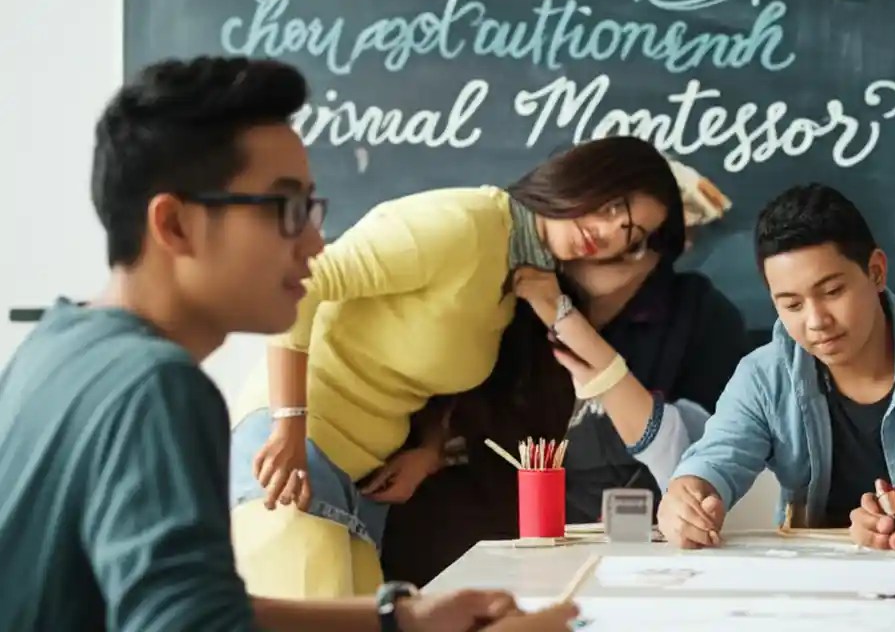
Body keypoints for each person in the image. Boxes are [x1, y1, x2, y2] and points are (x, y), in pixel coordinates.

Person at [0, 56, 576, 631]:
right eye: (284, 209)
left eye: (311, 208)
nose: (313, 242)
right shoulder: (158, 385)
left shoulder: (57, 344)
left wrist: (400, 620)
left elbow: (197, 611)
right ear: (174, 225)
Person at [229, 135, 685, 598]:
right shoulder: (463, 223)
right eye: (612, 206)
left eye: (629, 235)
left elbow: (444, 383)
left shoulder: (518, 282)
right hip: (297, 457)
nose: (607, 232)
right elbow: (302, 284)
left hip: (364, 480)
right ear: (583, 175)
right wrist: (288, 425)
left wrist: (428, 452)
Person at [656, 184, 895, 548]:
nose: (817, 320)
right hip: (819, 582)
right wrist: (686, 497)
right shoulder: (764, 374)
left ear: (876, 272)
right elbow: (713, 460)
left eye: (832, 292)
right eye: (792, 305)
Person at [381, 240, 749, 584]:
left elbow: (676, 448)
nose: (614, 258)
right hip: (509, 544)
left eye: (636, 251)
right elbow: (451, 395)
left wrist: (563, 317)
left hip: (613, 558)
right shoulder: (508, 347)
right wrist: (430, 451)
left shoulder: (686, 347)